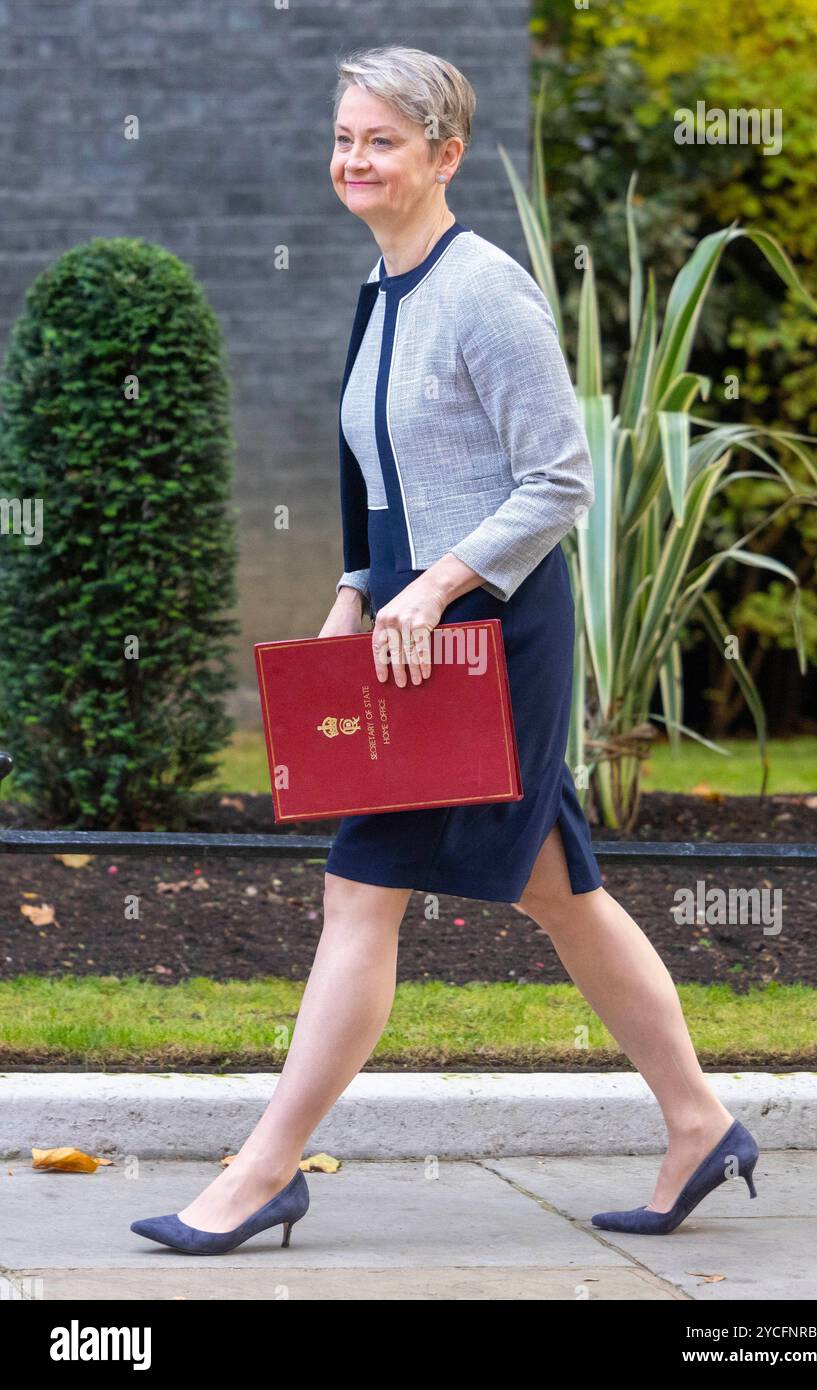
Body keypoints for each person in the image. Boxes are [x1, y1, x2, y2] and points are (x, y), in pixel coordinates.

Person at [130, 44, 757, 1256]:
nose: (354, 160)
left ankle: (262, 1172)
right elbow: (388, 489)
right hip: (416, 634)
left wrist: (436, 589)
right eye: (344, 139)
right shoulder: (384, 293)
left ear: (444, 155)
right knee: (561, 893)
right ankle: (699, 1120)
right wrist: (358, 588)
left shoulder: (485, 289)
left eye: (381, 141)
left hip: (484, 639)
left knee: (359, 891)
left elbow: (559, 479)